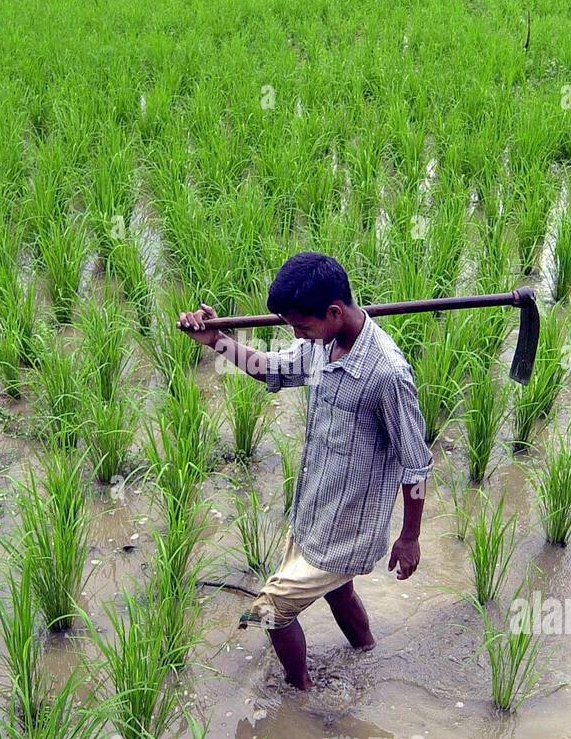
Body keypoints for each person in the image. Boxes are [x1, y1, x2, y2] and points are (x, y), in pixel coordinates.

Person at [177, 252, 433, 690]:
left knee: (272, 611)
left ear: (334, 312)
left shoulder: (386, 375)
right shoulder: (322, 343)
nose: (296, 335)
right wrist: (217, 341)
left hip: (347, 527)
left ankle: (302, 697)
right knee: (338, 591)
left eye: (300, 325)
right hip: (314, 509)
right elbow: (272, 369)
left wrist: (409, 538)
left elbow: (416, 462)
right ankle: (368, 653)